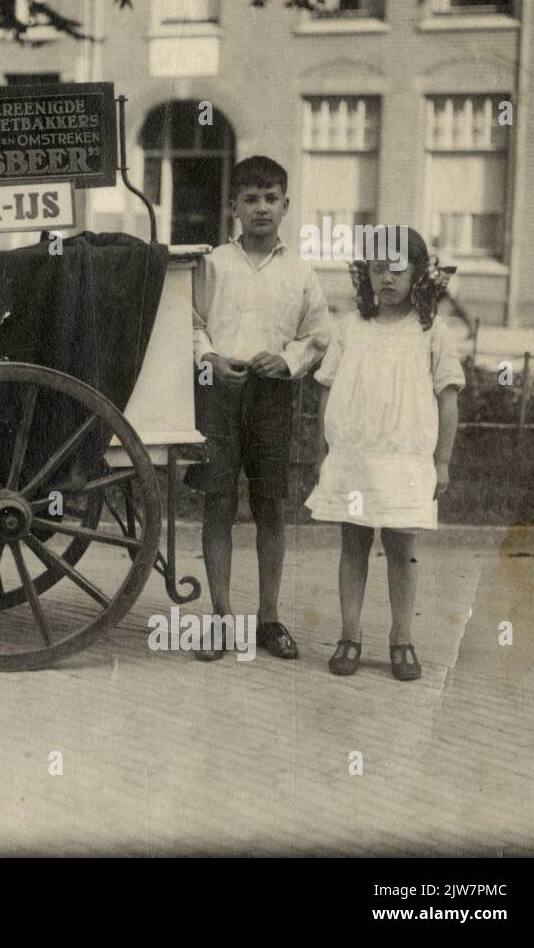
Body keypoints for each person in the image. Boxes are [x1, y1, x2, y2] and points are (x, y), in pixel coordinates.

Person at [187, 155, 330, 661]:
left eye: (271, 199)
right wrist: (210, 358)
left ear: (286, 205)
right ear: (234, 208)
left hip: (272, 395)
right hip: (220, 395)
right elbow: (191, 322)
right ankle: (222, 617)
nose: (261, 208)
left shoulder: (301, 272)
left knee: (270, 505)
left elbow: (318, 336)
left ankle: (269, 618)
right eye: (250, 199)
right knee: (218, 502)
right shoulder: (212, 264)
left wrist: (288, 360)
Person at [305, 229, 462, 681]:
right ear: (365, 275)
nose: (387, 279)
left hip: (406, 460)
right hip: (354, 457)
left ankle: (401, 638)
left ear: (417, 272)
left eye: (397, 268)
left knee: (401, 549)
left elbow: (448, 398)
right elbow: (328, 391)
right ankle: (350, 635)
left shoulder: (431, 331)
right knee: (353, 544)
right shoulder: (351, 325)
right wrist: (324, 453)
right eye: (377, 269)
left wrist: (442, 461)